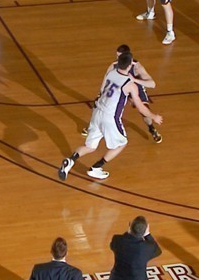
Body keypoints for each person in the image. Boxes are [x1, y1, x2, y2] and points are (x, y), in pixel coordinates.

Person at [58, 49, 163, 182]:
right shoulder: (130, 84)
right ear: (130, 65)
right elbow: (141, 107)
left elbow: (102, 90)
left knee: (90, 146)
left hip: (97, 113)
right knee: (121, 143)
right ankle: (96, 167)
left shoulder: (111, 72)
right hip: (110, 117)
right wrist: (154, 117)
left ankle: (70, 160)